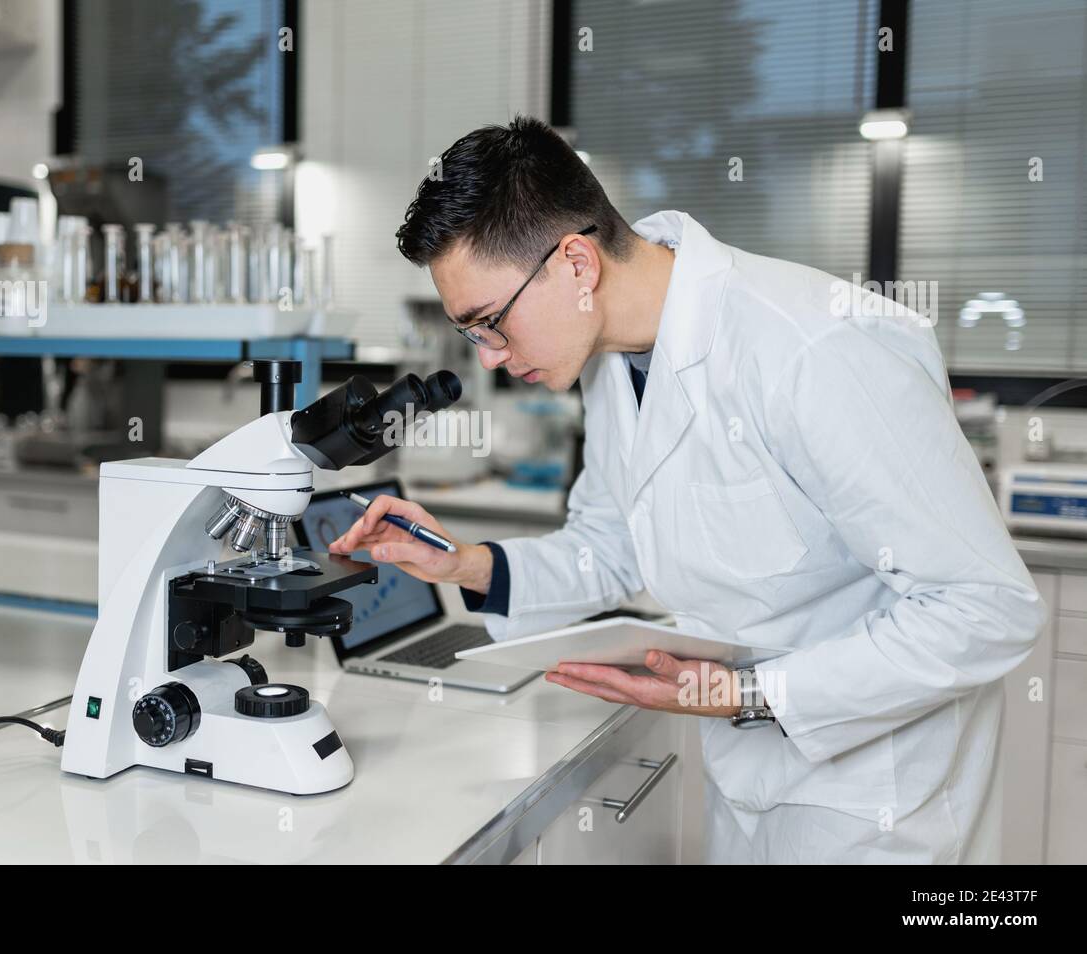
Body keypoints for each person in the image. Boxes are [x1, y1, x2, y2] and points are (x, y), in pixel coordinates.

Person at [329, 116, 1044, 863]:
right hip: (751, 776)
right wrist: (462, 563)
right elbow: (612, 548)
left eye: (490, 324)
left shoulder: (817, 346)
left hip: (883, 798)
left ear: (575, 262)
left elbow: (984, 608)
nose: (496, 357)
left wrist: (745, 694)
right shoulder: (612, 362)